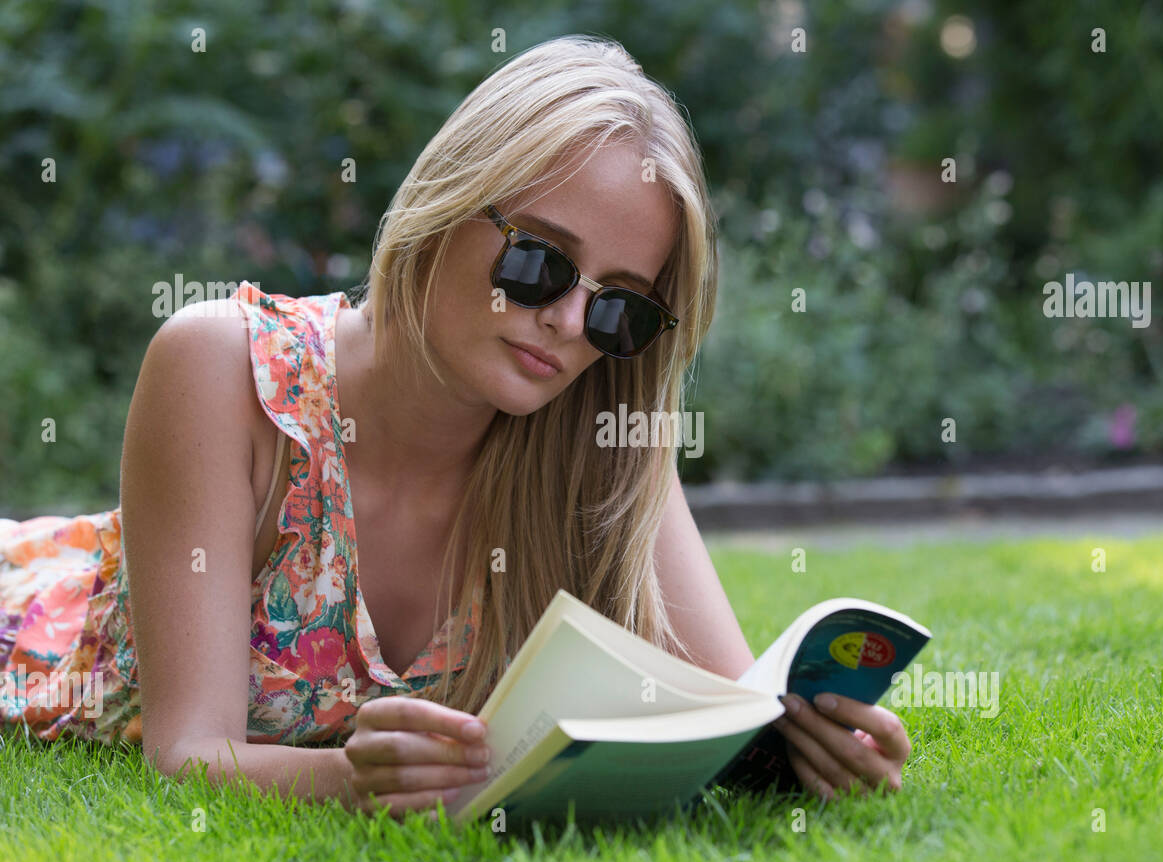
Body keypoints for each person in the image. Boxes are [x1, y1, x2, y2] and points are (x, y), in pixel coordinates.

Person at [0, 34, 911, 818]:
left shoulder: (600, 435)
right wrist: (355, 787)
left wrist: (807, 749)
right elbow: (187, 754)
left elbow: (724, 713)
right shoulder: (224, 368)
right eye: (540, 261)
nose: (568, 322)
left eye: (621, 310)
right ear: (447, 201)